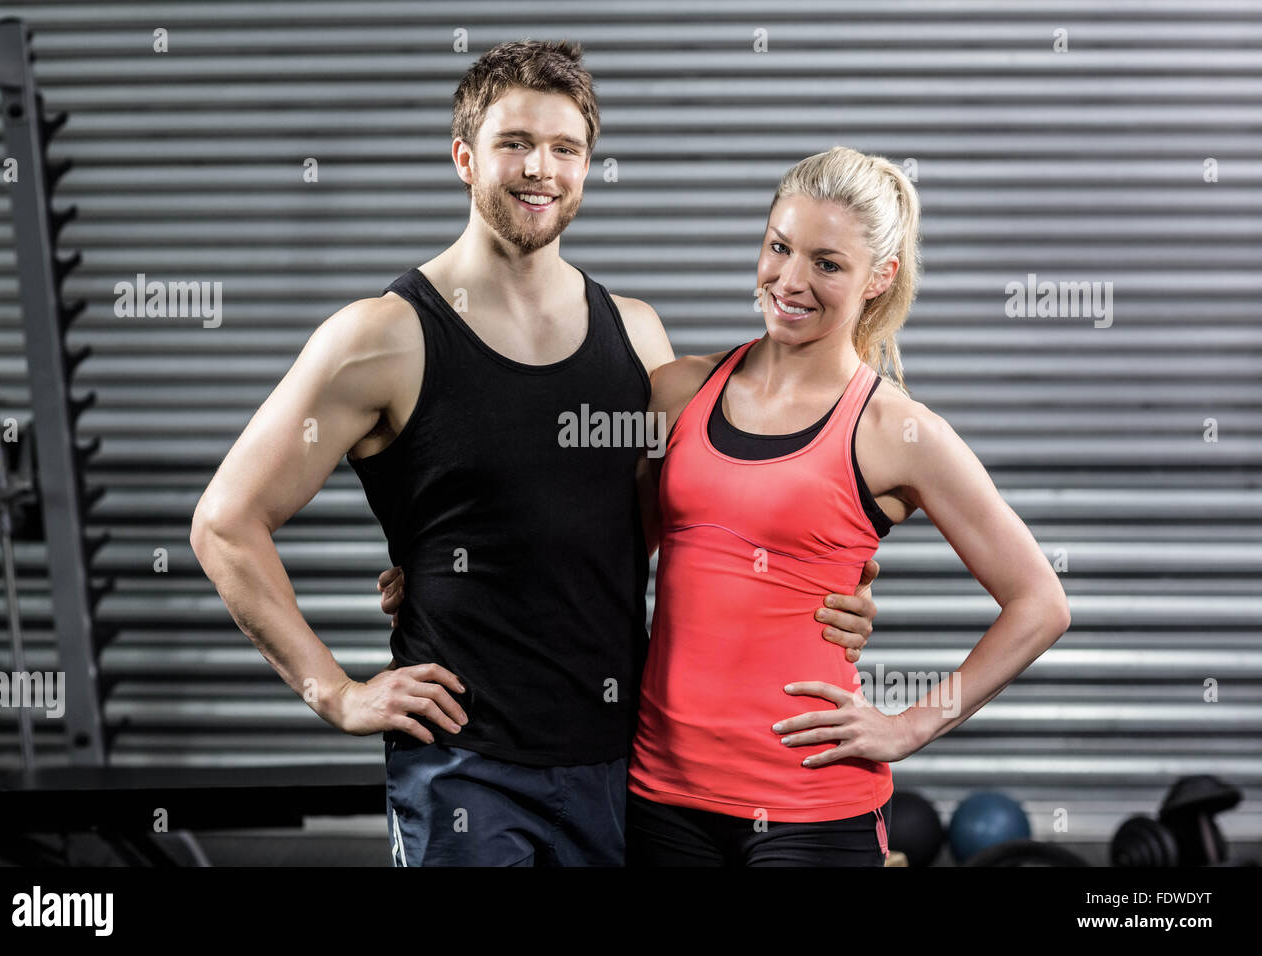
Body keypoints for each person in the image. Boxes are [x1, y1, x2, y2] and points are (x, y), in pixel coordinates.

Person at [190, 39, 879, 868]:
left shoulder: (637, 333)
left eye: (565, 148)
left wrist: (831, 590)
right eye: (513, 142)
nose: (538, 169)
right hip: (466, 769)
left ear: (588, 167)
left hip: (626, 763)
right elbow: (226, 523)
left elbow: (667, 522)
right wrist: (332, 691)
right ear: (464, 157)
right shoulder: (381, 337)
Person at [617, 146, 1073, 865]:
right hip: (660, 793)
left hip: (810, 804)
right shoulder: (678, 390)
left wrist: (909, 727)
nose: (790, 280)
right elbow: (604, 558)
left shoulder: (897, 431)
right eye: (779, 247)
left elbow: (1040, 602)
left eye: (827, 263)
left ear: (878, 278)